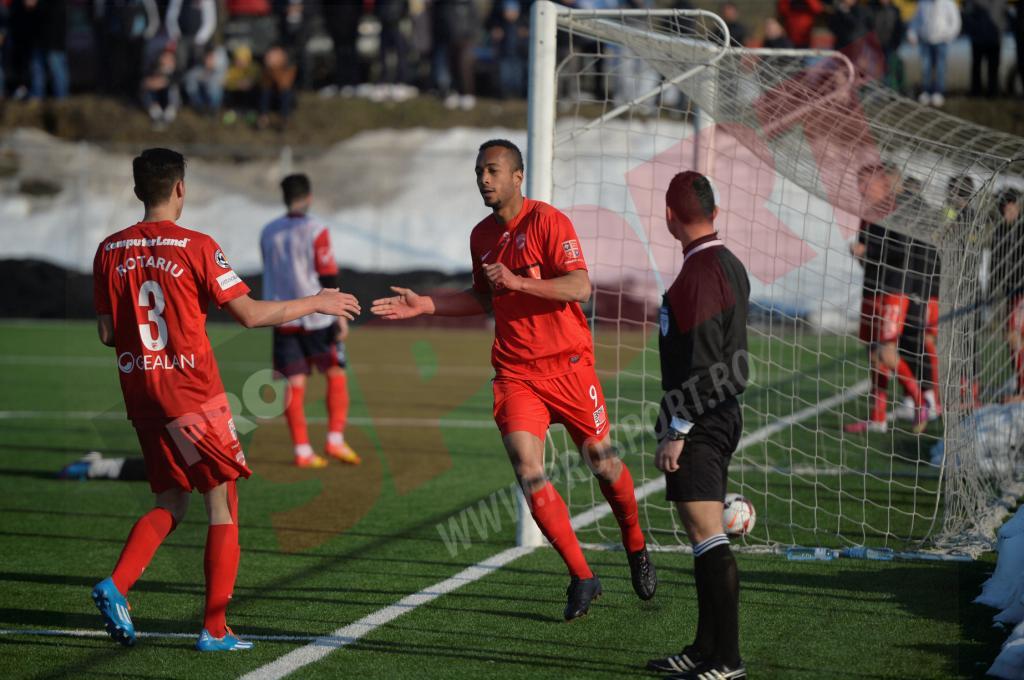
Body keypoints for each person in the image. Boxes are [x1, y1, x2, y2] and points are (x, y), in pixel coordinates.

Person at [371, 139, 657, 620]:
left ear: (518, 176)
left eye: (493, 170)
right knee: (528, 471)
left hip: (568, 365)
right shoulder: (481, 235)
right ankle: (583, 576)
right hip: (515, 373)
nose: (484, 179)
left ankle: (635, 543)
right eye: (479, 171)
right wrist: (429, 303)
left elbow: (581, 286)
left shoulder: (549, 222)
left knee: (603, 463)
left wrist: (521, 282)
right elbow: (485, 296)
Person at [90, 148, 360, 651]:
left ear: (136, 190)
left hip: (141, 393)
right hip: (193, 394)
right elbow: (251, 315)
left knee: (171, 499)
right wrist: (319, 301)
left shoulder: (108, 250)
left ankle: (116, 584)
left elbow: (108, 333)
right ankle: (214, 629)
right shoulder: (196, 245)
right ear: (180, 189)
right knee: (224, 502)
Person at [645, 171, 749, 680]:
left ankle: (727, 661)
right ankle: (705, 649)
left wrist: (678, 429)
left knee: (708, 535)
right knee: (701, 534)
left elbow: (707, 365)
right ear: (715, 210)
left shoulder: (703, 271)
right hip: (714, 413)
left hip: (703, 418)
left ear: (669, 216)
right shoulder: (724, 262)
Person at [260, 174, 360, 468]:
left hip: (282, 316)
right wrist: (340, 314)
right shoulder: (316, 229)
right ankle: (335, 440)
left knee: (294, 384)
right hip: (318, 316)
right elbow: (327, 273)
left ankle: (302, 450)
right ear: (309, 196)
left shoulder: (268, 231)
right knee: (336, 374)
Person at [844, 163, 929, 434]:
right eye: (859, 183)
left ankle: (920, 401)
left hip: (895, 287)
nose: (861, 188)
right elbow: (868, 258)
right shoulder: (867, 214)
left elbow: (900, 251)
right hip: (871, 288)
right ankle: (877, 417)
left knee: (886, 351)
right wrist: (860, 255)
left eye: (866, 182)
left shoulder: (897, 210)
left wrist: (868, 250)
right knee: (873, 353)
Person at [989, 188, 1024, 399]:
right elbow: (996, 264)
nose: (1006, 212)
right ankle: (1020, 387)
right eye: (1003, 208)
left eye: (1009, 206)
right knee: (1014, 338)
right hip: (1011, 293)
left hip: (1022, 293)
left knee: (1012, 335)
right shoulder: (1000, 231)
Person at [907, 0, 961, 107]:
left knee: (940, 67)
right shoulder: (923, 3)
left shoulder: (949, 3)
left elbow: (955, 22)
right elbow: (916, 20)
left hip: (942, 41)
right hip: (926, 41)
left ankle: (939, 92)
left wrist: (948, 36)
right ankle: (926, 91)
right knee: (925, 67)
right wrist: (912, 33)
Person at [963, 0, 1006, 98]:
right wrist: (974, 30)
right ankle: (976, 91)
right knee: (976, 67)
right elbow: (967, 15)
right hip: (978, 38)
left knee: (993, 67)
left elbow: (1004, 15)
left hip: (994, 38)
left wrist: (1000, 30)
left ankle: (993, 91)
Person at [868, 0, 906, 92]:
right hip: (876, 46)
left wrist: (896, 44)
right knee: (877, 71)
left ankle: (893, 91)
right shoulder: (872, 9)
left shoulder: (895, 10)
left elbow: (900, 28)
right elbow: (869, 27)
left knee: (891, 69)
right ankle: (881, 91)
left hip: (891, 46)